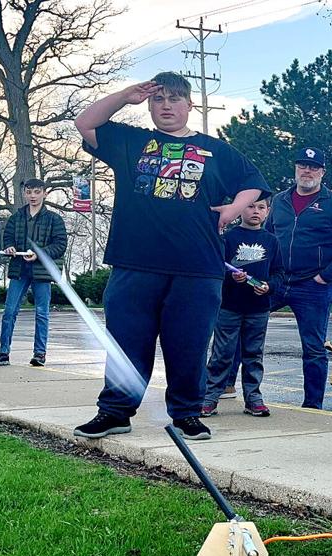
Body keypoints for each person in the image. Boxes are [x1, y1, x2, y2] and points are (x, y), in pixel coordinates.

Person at [66, 72, 267, 441]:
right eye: (158, 99)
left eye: (175, 99)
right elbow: (86, 122)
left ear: (189, 105)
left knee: (188, 345)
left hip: (197, 267)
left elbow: (253, 181)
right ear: (149, 105)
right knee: (126, 342)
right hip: (134, 263)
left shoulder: (215, 150)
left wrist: (231, 211)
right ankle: (115, 412)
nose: (166, 106)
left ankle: (187, 414)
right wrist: (126, 95)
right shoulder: (131, 141)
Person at [267, 145, 332, 409]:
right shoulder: (279, 201)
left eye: (314, 167)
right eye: (302, 166)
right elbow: (268, 237)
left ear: (322, 172)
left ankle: (313, 406)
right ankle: (231, 387)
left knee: (313, 348)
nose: (307, 171)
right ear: (296, 168)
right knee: (245, 326)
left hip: (313, 286)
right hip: (278, 281)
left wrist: (325, 277)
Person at [200, 195, 282, 418]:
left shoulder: (272, 241)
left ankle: (253, 398)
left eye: (261, 207)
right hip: (229, 307)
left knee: (254, 354)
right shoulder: (228, 238)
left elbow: (279, 273)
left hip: (258, 308)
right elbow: (216, 270)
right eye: (250, 206)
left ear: (267, 211)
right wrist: (231, 278)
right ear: (240, 210)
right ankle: (209, 398)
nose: (255, 211)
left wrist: (269, 287)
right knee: (222, 354)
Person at [0, 178, 67, 367]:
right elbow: (7, 237)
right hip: (19, 269)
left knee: (42, 313)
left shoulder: (54, 219)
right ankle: (3, 352)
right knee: (9, 311)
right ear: (24, 193)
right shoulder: (16, 217)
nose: (33, 196)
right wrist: (10, 247)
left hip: (42, 272)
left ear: (45, 193)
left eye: (37, 192)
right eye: (29, 192)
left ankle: (39, 353)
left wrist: (38, 254)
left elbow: (60, 245)